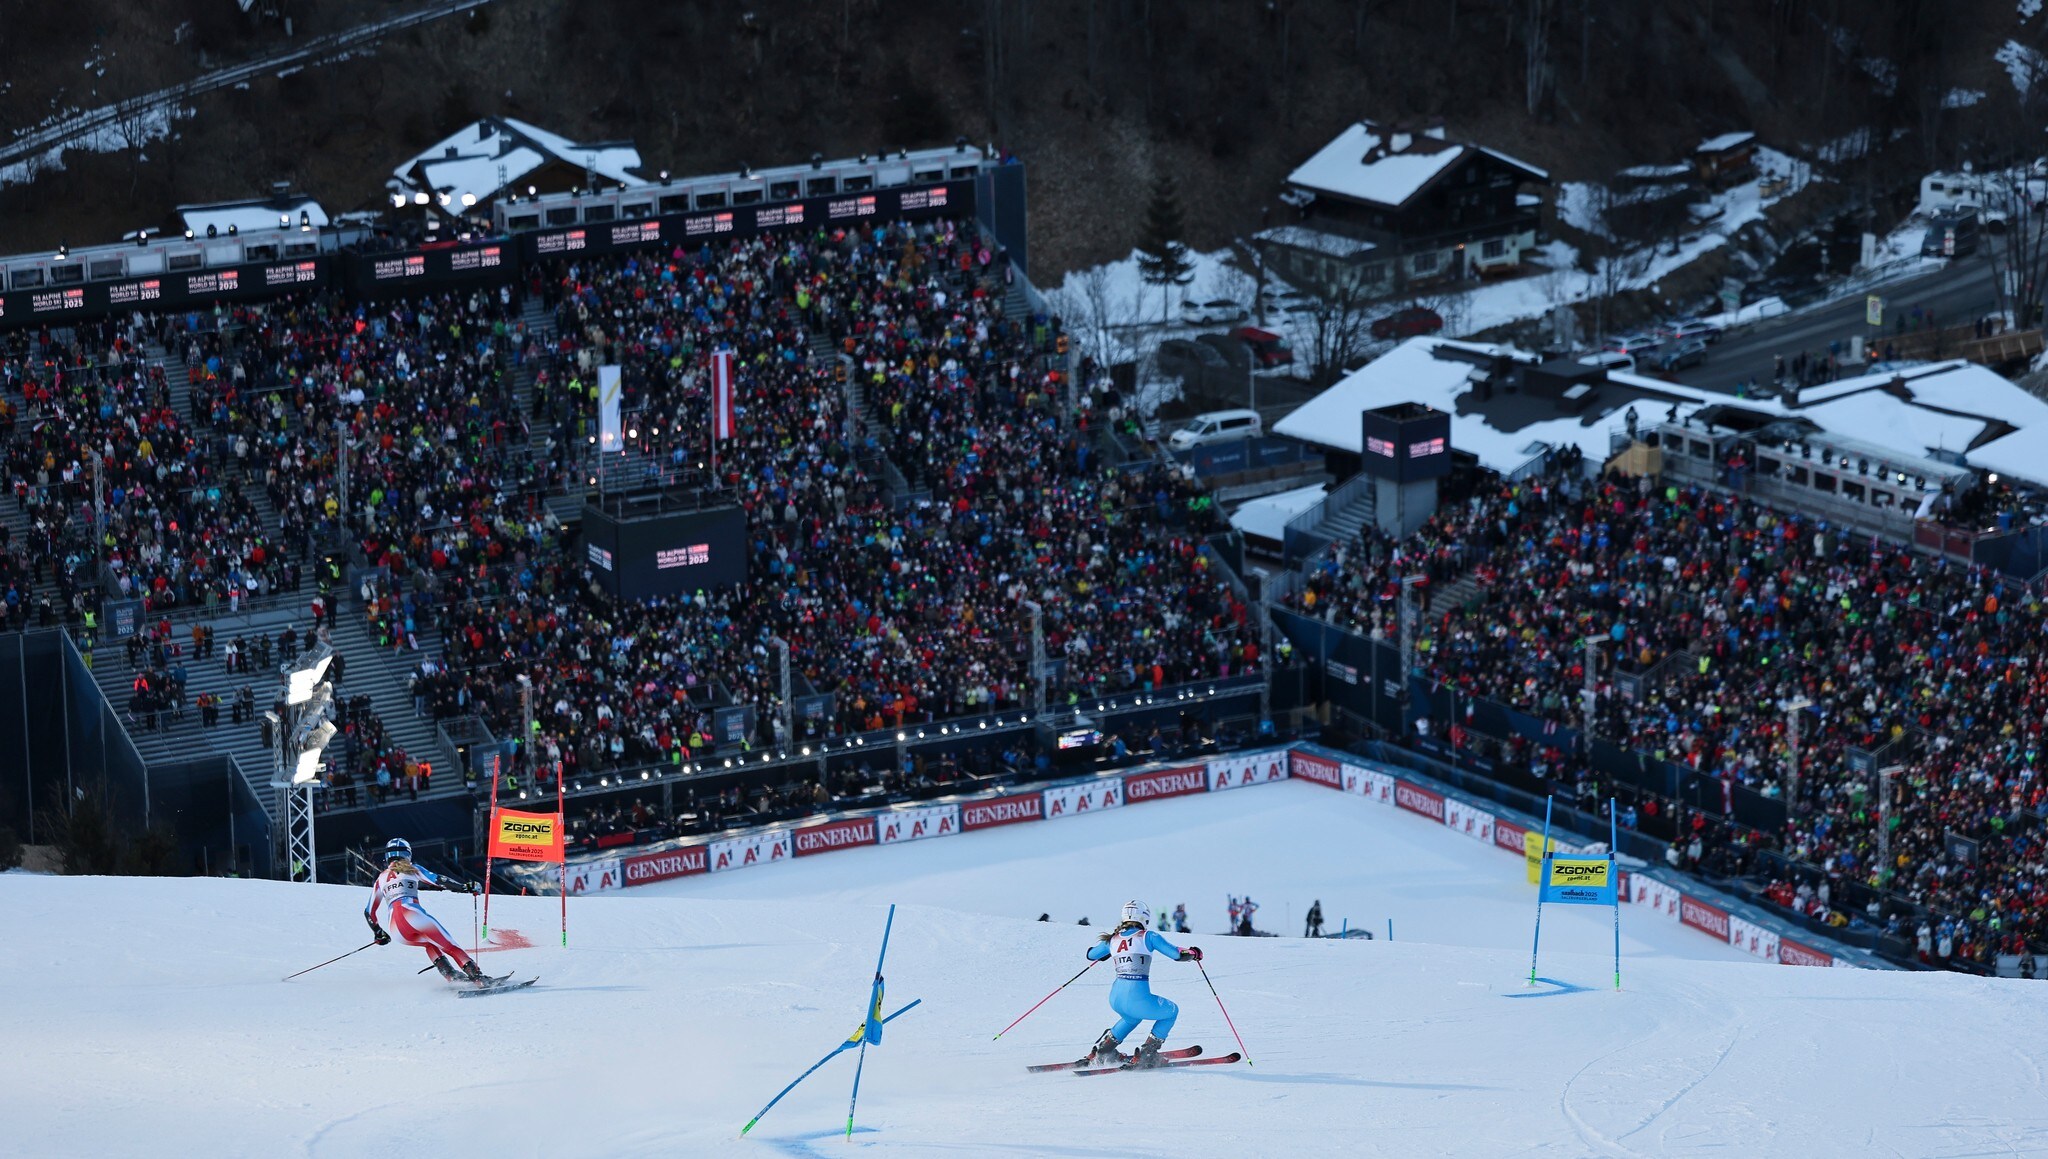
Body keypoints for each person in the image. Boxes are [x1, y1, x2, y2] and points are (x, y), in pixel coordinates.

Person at [1081, 900, 1202, 1069]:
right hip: (1137, 999)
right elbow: (1176, 954)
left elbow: (1091, 954)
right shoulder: (1148, 936)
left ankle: (1104, 1050)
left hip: (1116, 999)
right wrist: (1194, 953)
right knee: (1172, 1011)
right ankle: (1148, 1055)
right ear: (1144, 918)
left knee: (1132, 1017)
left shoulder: (1113, 939)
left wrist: (1107, 953)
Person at [363, 838, 491, 985]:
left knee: (429, 944)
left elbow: (368, 912)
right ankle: (477, 978)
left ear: (387, 857)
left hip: (396, 929)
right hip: (413, 915)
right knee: (450, 945)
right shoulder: (412, 868)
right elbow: (438, 880)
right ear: (407, 854)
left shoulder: (381, 878)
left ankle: (451, 976)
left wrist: (378, 932)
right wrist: (463, 887)